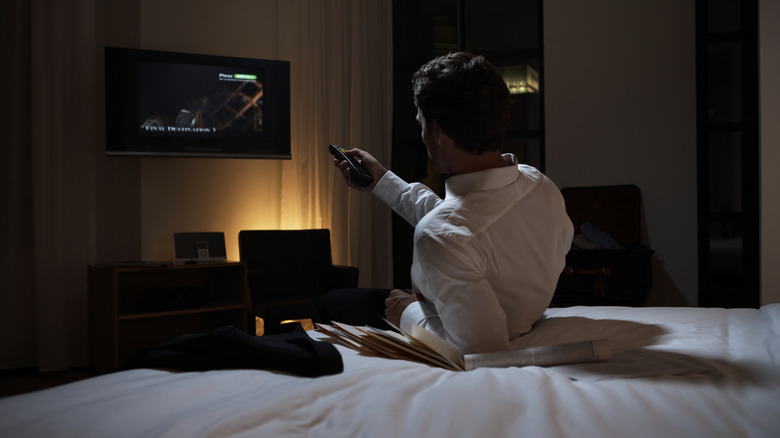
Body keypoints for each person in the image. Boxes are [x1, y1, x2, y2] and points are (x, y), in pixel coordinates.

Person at [314, 52, 573, 355]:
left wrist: (409, 313)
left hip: (456, 324)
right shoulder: (539, 185)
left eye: (422, 124)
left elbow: (482, 349)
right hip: (516, 313)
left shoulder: (440, 235)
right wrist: (382, 181)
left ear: (436, 131)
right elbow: (465, 224)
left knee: (328, 305)